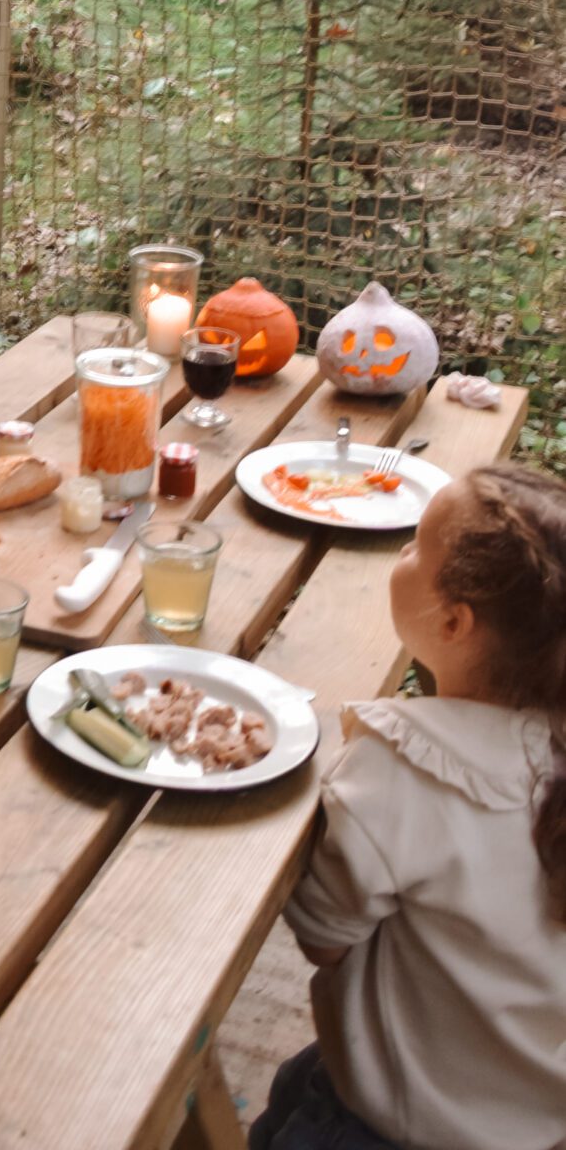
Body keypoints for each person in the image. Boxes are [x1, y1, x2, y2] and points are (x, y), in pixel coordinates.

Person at [252, 461, 566, 1150]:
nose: (401, 555)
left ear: (451, 622)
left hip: (392, 1122)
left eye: (413, 548)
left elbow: (323, 940)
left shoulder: (402, 765)